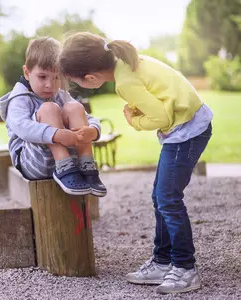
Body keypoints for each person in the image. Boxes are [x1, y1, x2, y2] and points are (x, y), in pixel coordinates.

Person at [59, 32, 213, 295]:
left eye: (76, 83)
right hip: (188, 124)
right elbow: (161, 96)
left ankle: (185, 268)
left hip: (186, 132)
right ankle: (163, 261)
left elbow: (162, 117)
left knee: (168, 199)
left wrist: (134, 121)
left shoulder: (124, 82)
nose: (78, 87)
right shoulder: (127, 61)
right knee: (161, 197)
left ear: (91, 77)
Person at [0, 37, 107, 197]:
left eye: (56, 77)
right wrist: (55, 135)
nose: (50, 84)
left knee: (74, 107)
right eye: (42, 77)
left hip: (73, 162)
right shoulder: (19, 99)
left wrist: (93, 130)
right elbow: (22, 127)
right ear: (27, 72)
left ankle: (87, 166)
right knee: (49, 109)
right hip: (33, 162)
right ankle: (64, 167)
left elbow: (88, 118)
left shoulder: (61, 95)